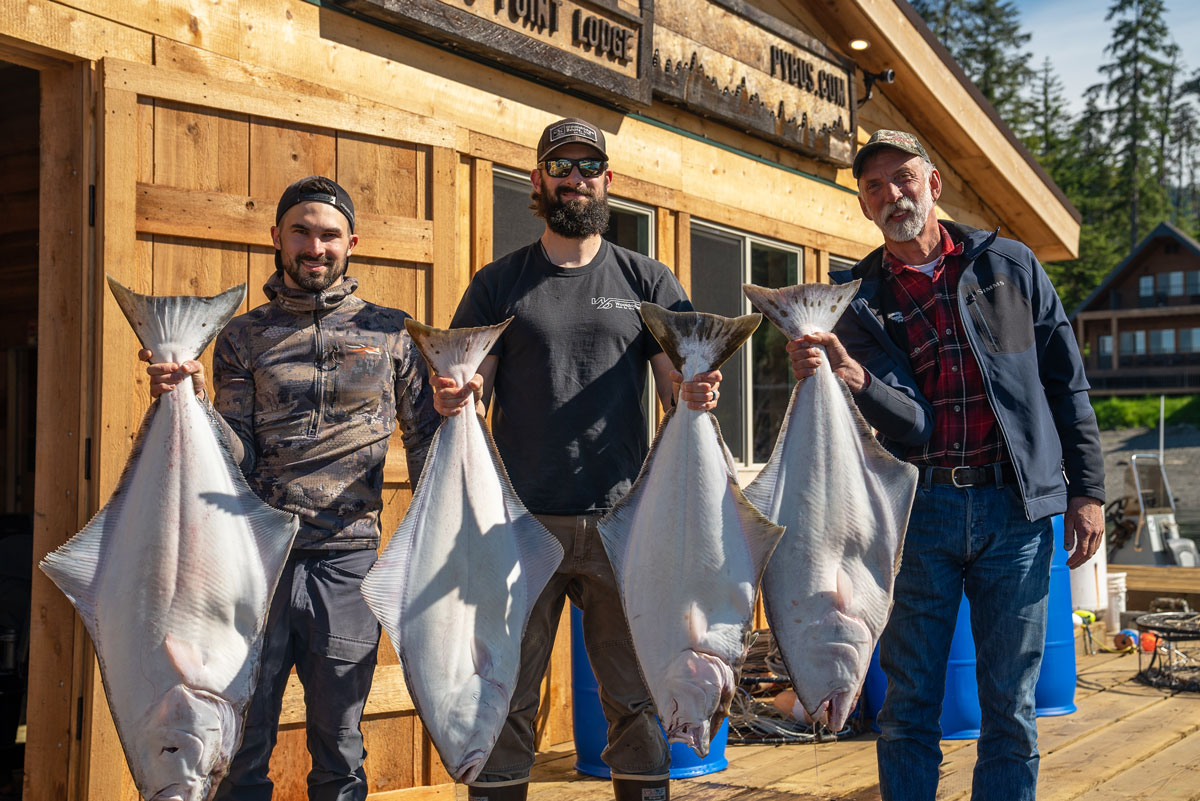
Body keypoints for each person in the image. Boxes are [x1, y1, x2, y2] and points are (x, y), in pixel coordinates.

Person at [787, 130, 1105, 801]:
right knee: (908, 706)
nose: (890, 194)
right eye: (874, 187)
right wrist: (849, 375)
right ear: (865, 206)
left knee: (1011, 707)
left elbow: (1064, 383)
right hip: (914, 516)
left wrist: (1088, 490)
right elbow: (912, 423)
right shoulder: (857, 299)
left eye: (902, 178)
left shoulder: (1011, 265)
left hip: (1014, 510)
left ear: (933, 184)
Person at [434, 117, 720, 801]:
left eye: (589, 165)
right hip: (516, 526)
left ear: (607, 180)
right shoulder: (500, 282)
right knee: (503, 695)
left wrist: (696, 390)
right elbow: (470, 381)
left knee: (636, 698)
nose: (576, 178)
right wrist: (457, 392)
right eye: (561, 166)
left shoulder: (646, 278)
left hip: (627, 524)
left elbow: (675, 385)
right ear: (539, 181)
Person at [142, 176, 440, 801]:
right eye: (301, 231)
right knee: (242, 746)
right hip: (256, 560)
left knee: (341, 748)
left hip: (349, 560)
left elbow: (428, 455)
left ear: (351, 243)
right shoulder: (243, 338)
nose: (315, 246)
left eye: (329, 234)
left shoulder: (393, 334)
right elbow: (237, 456)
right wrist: (190, 403)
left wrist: (462, 409)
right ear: (276, 237)